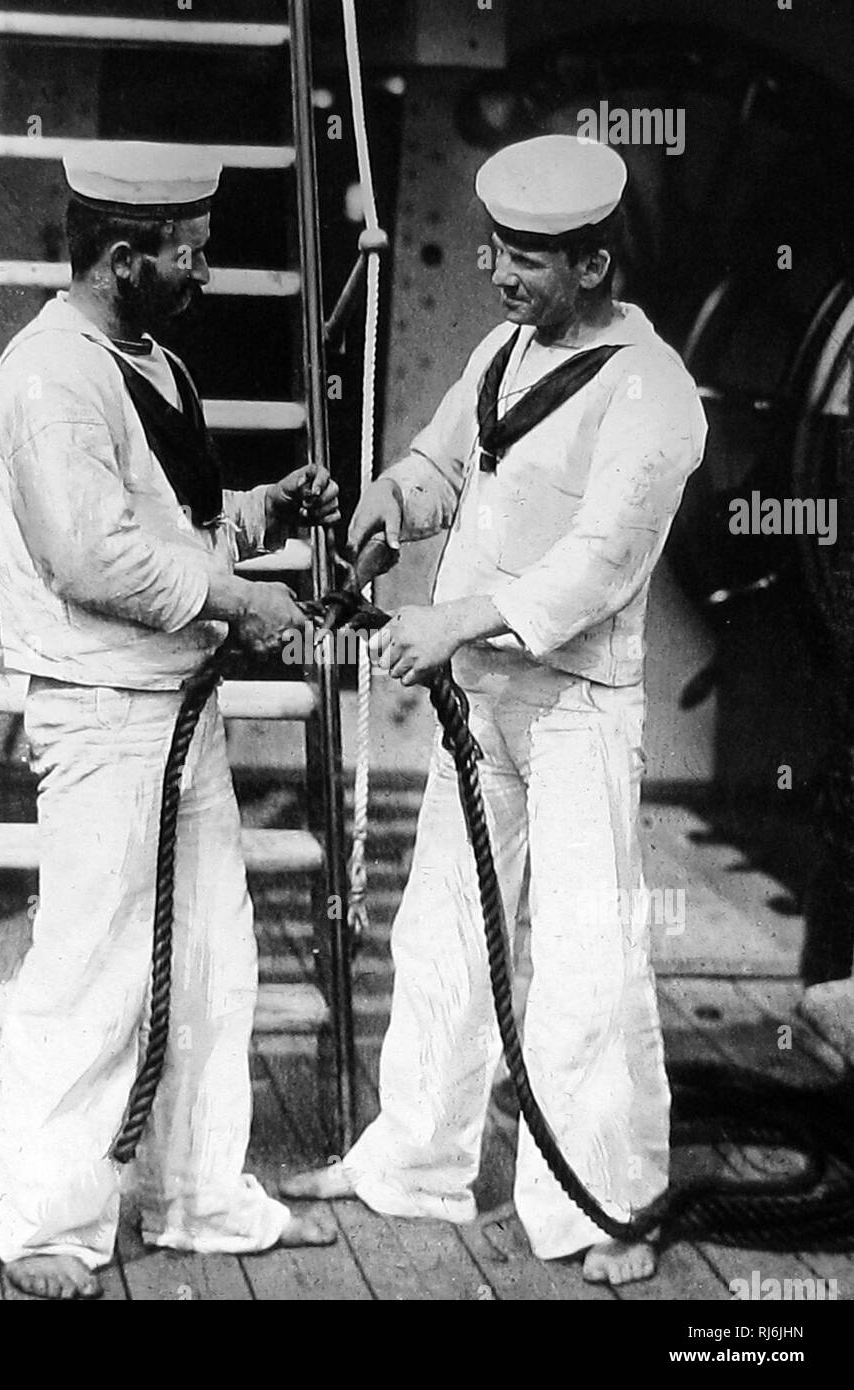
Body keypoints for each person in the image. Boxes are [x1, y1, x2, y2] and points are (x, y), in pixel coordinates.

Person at [283, 134, 707, 1286]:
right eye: (495, 250)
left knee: (584, 960)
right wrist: (391, 501)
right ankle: (416, 1164)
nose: (497, 273)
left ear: (596, 265)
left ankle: (603, 1211)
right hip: (486, 699)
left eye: (524, 258)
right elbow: (449, 461)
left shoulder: (654, 397)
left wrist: (452, 618)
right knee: (442, 932)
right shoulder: (505, 349)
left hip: (575, 713)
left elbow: (596, 567)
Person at [0, 142, 338, 1299]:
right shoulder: (49, 379)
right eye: (190, 253)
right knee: (91, 973)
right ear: (123, 257)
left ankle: (199, 1193)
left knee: (215, 961)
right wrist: (240, 599)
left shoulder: (154, 366)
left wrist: (259, 513)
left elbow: (164, 523)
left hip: (178, 712)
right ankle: (42, 1224)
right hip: (100, 716)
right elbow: (91, 556)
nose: (208, 270)